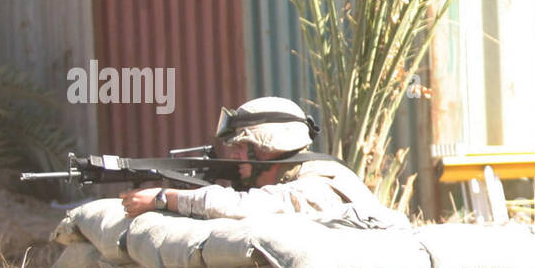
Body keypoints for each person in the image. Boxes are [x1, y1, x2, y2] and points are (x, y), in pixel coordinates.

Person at [119, 97, 404, 226]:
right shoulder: (296, 175)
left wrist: (163, 198)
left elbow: (248, 208)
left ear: (269, 151)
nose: (234, 156)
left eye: (244, 147)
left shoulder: (319, 185)